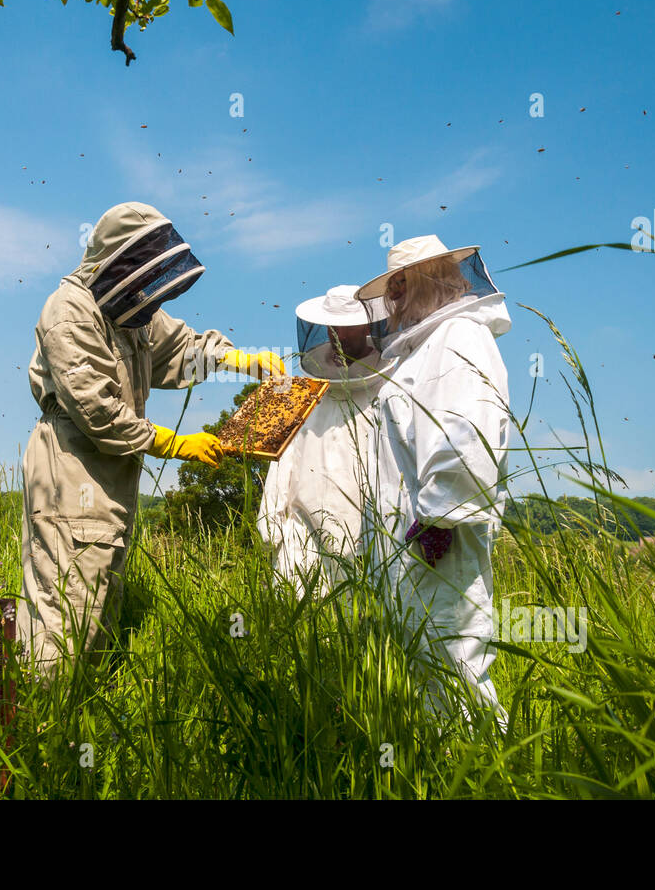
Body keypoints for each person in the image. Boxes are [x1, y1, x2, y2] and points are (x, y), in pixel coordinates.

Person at [21, 201, 284, 676]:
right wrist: (174, 443)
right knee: (67, 596)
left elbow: (183, 348)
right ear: (116, 262)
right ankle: (45, 721)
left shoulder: (133, 311)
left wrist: (237, 359)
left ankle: (79, 715)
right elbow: (97, 410)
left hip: (114, 467)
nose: (147, 289)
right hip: (71, 461)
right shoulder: (70, 312)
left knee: (101, 586)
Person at [355, 235, 512, 720]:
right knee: (422, 664)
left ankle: (485, 769)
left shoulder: (461, 335)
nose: (394, 296)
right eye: (391, 286)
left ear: (432, 280)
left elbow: (469, 431)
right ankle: (438, 771)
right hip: (412, 539)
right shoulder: (421, 349)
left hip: (438, 538)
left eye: (402, 283)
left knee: (452, 660)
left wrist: (440, 518)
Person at [257, 285, 395, 598]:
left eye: (346, 328)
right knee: (300, 632)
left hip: (369, 537)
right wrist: (271, 524)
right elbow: (283, 461)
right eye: (332, 327)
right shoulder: (306, 393)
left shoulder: (387, 390)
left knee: (361, 631)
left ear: (366, 325)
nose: (337, 336)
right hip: (302, 538)